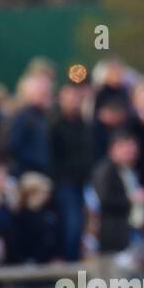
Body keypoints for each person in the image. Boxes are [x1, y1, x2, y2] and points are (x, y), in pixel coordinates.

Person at [49, 82, 92, 260]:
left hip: (82, 181)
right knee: (71, 223)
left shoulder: (83, 125)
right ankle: (70, 263)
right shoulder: (55, 125)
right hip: (65, 182)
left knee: (81, 224)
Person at [91, 130, 144, 254]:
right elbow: (105, 199)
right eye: (126, 149)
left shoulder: (131, 170)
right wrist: (131, 199)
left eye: (133, 149)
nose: (131, 153)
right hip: (113, 233)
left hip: (132, 230)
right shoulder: (105, 170)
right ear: (113, 149)